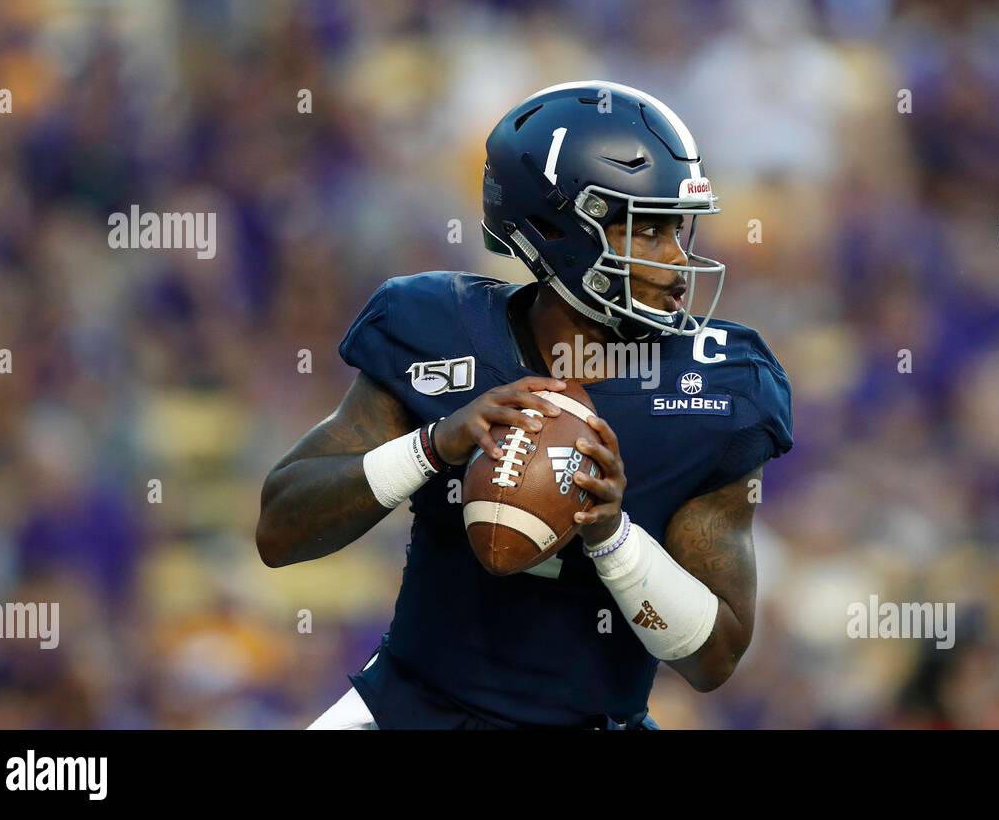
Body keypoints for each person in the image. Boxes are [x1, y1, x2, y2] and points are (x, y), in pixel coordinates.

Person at [255, 81, 793, 729]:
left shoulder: (716, 386)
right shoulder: (438, 327)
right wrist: (430, 447)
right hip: (412, 708)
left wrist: (613, 537)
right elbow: (280, 530)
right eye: (646, 231)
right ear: (555, 228)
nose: (678, 261)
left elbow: (716, 656)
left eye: (677, 228)